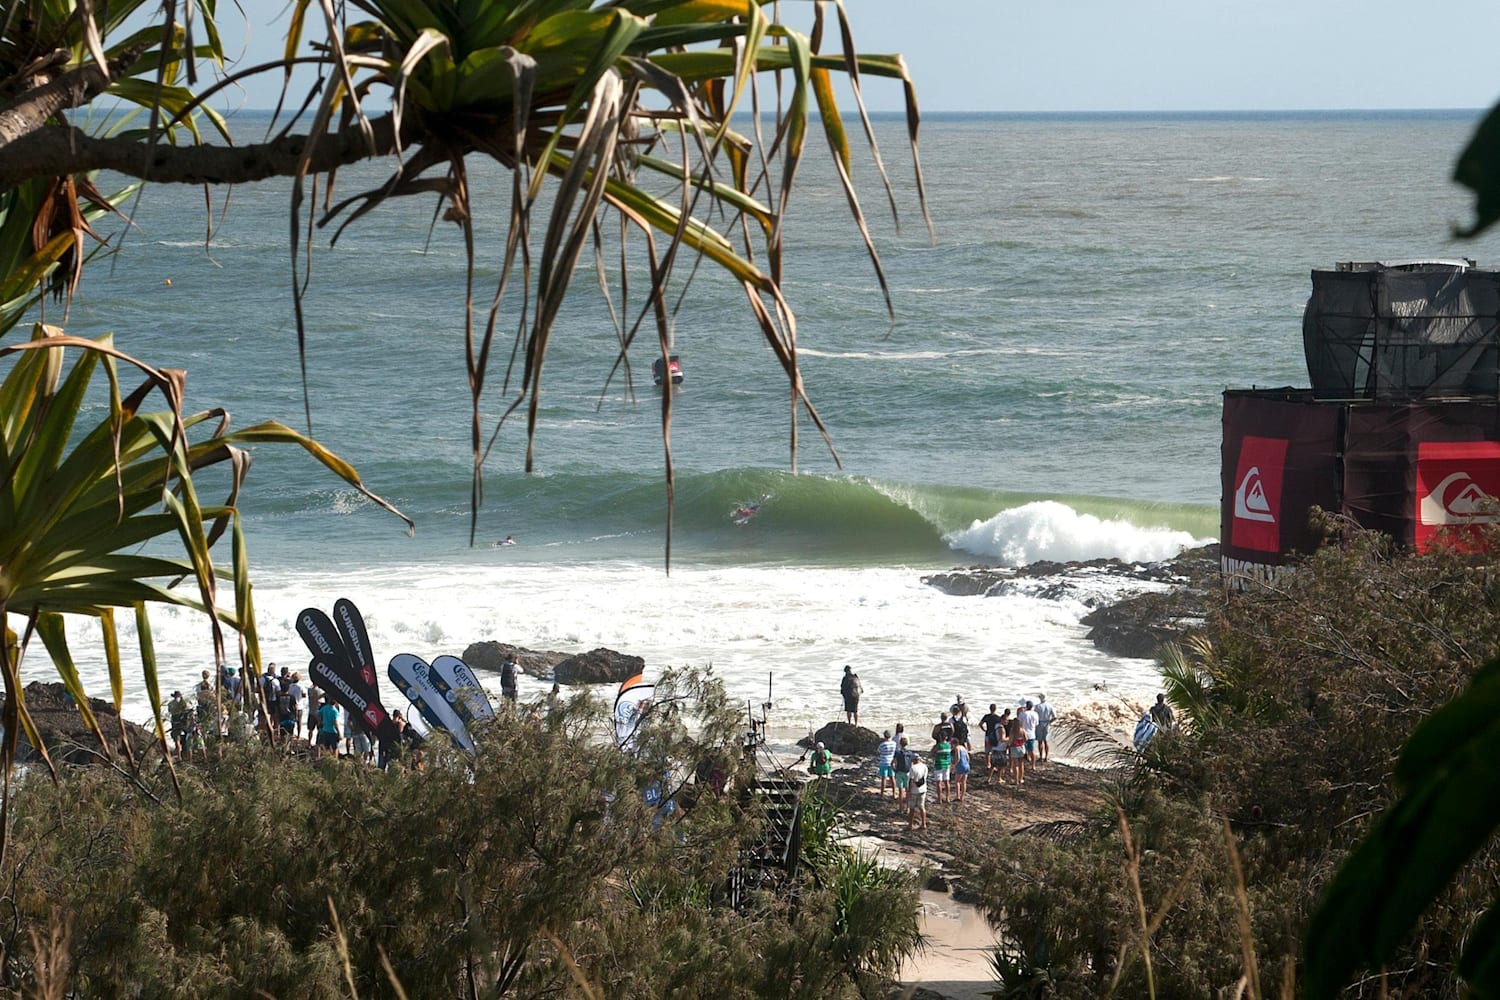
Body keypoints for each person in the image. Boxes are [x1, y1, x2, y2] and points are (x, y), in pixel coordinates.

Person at [906, 753, 928, 830]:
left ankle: (910, 825)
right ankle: (924, 823)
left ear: (913, 760)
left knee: (912, 808)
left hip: (914, 791)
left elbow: (911, 781)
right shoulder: (924, 766)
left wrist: (908, 791)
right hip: (923, 789)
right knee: (922, 807)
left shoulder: (913, 768)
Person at [1035, 694, 1057, 763]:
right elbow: (1055, 716)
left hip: (1039, 723)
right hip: (1047, 723)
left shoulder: (1037, 706)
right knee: (1046, 741)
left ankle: (1041, 756)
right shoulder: (1050, 706)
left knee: (1039, 741)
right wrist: (1050, 722)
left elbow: (1035, 716)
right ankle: (1046, 757)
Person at [931, 733, 952, 804]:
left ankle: (939, 799)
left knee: (939, 783)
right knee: (946, 782)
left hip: (939, 764)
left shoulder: (938, 745)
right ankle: (947, 797)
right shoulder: (949, 745)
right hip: (946, 765)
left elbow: (931, 753)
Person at [875, 730, 898, 798]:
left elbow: (878, 751)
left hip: (884, 762)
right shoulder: (894, 743)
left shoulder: (882, 744)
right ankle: (894, 793)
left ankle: (882, 795)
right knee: (892, 778)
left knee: (884, 779)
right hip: (891, 762)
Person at [1020, 699, 1040, 773]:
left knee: (1022, 750)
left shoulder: (1022, 714)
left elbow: (1020, 723)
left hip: (1023, 734)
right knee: (1031, 750)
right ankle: (1033, 765)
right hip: (1031, 734)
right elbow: (1036, 724)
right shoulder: (1035, 714)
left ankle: (1022, 764)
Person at [892, 734, 912, 807]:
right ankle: (908, 807)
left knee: (900, 791)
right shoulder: (910, 753)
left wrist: (894, 769)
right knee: (907, 790)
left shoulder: (898, 752)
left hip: (899, 772)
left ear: (900, 744)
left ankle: (901, 807)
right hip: (907, 772)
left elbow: (893, 762)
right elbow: (911, 763)